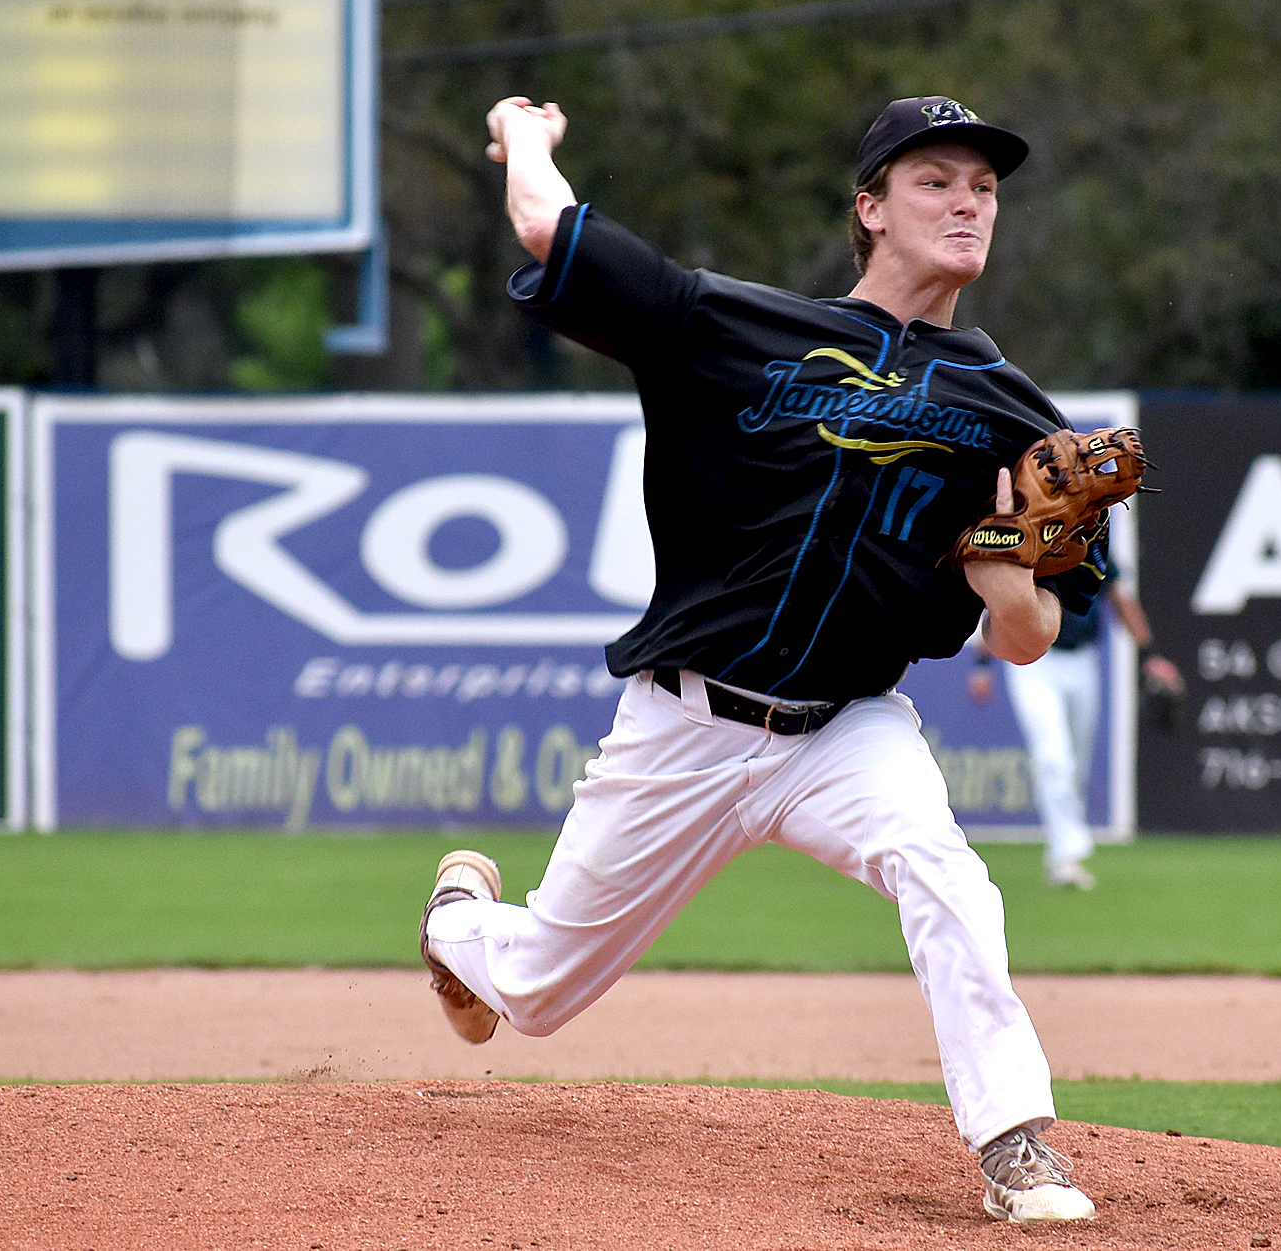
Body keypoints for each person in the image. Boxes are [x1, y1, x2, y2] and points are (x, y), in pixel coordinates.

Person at [419, 94, 1108, 1223]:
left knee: (942, 871)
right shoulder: (731, 328)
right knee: (534, 991)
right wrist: (523, 133)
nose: (967, 200)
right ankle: (454, 915)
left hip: (846, 727)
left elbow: (1031, 638)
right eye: (934, 178)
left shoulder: (1011, 416)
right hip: (686, 721)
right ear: (869, 207)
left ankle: (1013, 1141)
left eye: (983, 185)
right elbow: (550, 229)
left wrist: (1004, 582)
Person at [969, 557, 1183, 889]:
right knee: (1054, 758)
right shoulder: (1032, 534)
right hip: (1033, 661)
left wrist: (1150, 653)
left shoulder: (1090, 535)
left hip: (1081, 659)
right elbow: (1005, 602)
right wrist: (982, 664)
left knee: (1076, 766)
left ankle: (1066, 853)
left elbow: (1118, 596)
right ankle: (1065, 857)